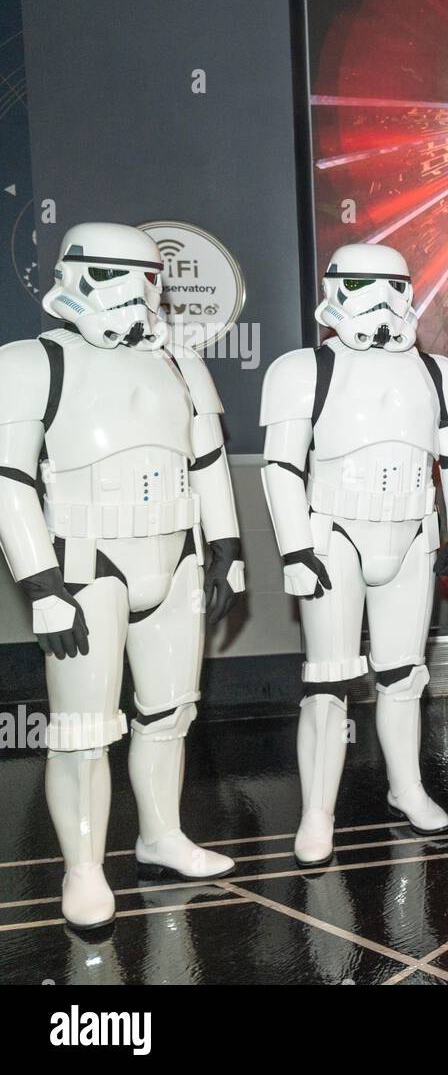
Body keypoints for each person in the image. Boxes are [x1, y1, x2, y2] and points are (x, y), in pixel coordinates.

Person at [0, 222, 245, 929]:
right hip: (85, 559)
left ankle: (161, 835)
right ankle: (83, 866)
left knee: (170, 714)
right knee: (82, 728)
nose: (135, 294)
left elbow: (207, 462)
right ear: (74, 273)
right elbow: (10, 479)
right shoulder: (31, 362)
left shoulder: (178, 361)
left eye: (147, 278)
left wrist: (225, 545)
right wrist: (41, 583)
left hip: (175, 556)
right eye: (113, 274)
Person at [259, 242, 448, 867]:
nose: (381, 301)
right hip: (335, 534)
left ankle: (406, 786)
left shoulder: (440, 374)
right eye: (363, 286)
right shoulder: (304, 370)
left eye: (394, 286)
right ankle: (317, 812)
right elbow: (280, 466)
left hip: (412, 532)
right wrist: (296, 548)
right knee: (328, 681)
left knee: (403, 674)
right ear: (334, 290)